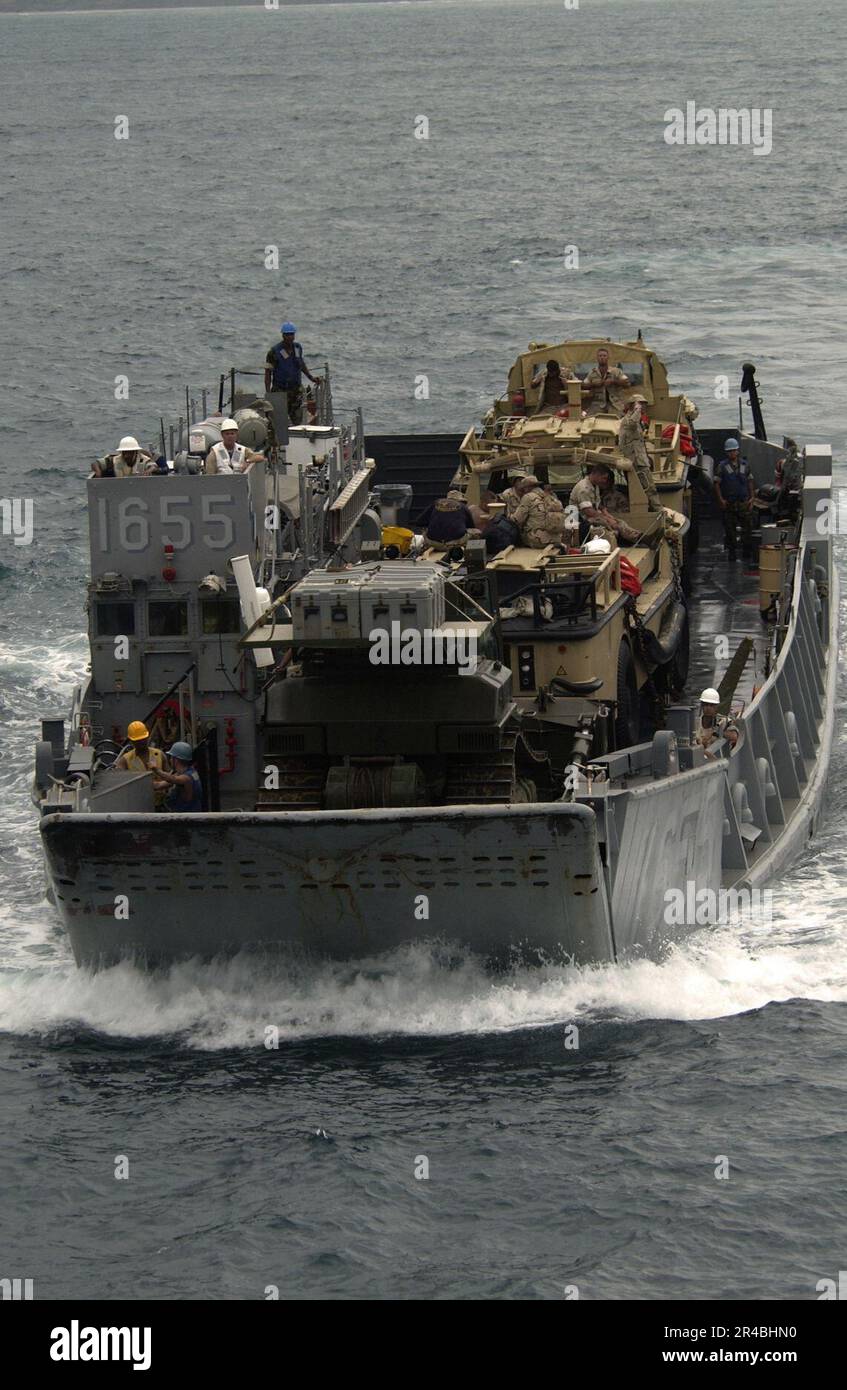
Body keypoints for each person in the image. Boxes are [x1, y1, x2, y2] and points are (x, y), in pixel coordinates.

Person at [264, 322, 321, 425]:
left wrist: (310, 377)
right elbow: (268, 373)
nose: (290, 337)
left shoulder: (297, 348)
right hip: (280, 390)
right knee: (278, 421)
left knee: (298, 419)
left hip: (295, 390)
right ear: (283, 335)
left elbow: (301, 363)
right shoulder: (274, 352)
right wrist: (268, 394)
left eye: (292, 334)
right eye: (287, 334)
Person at [570, 463, 640, 542]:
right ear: (596, 474)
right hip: (581, 520)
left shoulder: (594, 485)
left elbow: (597, 503)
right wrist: (606, 518)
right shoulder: (584, 488)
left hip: (591, 516)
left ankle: (639, 536)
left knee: (619, 522)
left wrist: (607, 514)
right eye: (603, 478)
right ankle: (635, 539)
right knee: (609, 524)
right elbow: (588, 511)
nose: (605, 481)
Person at [714, 437, 754, 560]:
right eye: (730, 451)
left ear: (738, 451)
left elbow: (750, 480)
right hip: (729, 503)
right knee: (730, 529)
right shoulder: (722, 466)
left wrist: (752, 497)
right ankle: (732, 552)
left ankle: (746, 552)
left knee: (747, 528)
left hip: (743, 502)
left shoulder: (744, 465)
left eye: (734, 450)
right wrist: (720, 499)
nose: (732, 453)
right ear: (727, 453)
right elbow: (716, 484)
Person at [618, 397, 661, 511]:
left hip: (639, 457)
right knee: (649, 487)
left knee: (645, 487)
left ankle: (652, 509)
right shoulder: (629, 420)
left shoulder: (635, 420)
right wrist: (637, 410)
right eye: (642, 404)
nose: (644, 407)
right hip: (636, 460)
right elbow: (632, 424)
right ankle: (658, 511)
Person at [512, 476, 567, 548]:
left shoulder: (528, 497)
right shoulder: (550, 496)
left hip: (537, 540)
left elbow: (518, 519)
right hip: (555, 539)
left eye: (524, 488)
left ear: (528, 487)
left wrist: (509, 517)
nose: (523, 490)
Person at [153, 742, 204, 812]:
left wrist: (156, 770)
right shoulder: (187, 772)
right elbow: (159, 785)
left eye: (171, 758)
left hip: (187, 819)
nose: (170, 760)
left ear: (176, 760)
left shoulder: (186, 778)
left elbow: (172, 779)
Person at [582, 347, 631, 415]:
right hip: (597, 404)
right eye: (600, 356)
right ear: (597, 358)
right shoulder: (592, 373)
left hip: (615, 404)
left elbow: (627, 383)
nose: (602, 358)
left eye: (604, 356)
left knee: (617, 420)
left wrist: (613, 381)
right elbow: (583, 385)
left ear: (608, 357)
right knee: (589, 419)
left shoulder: (616, 371)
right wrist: (594, 384)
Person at [695, 688, 739, 755]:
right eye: (706, 705)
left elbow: (734, 736)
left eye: (712, 705)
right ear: (702, 705)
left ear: (716, 707)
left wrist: (717, 733)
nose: (708, 708)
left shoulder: (723, 721)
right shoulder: (695, 723)